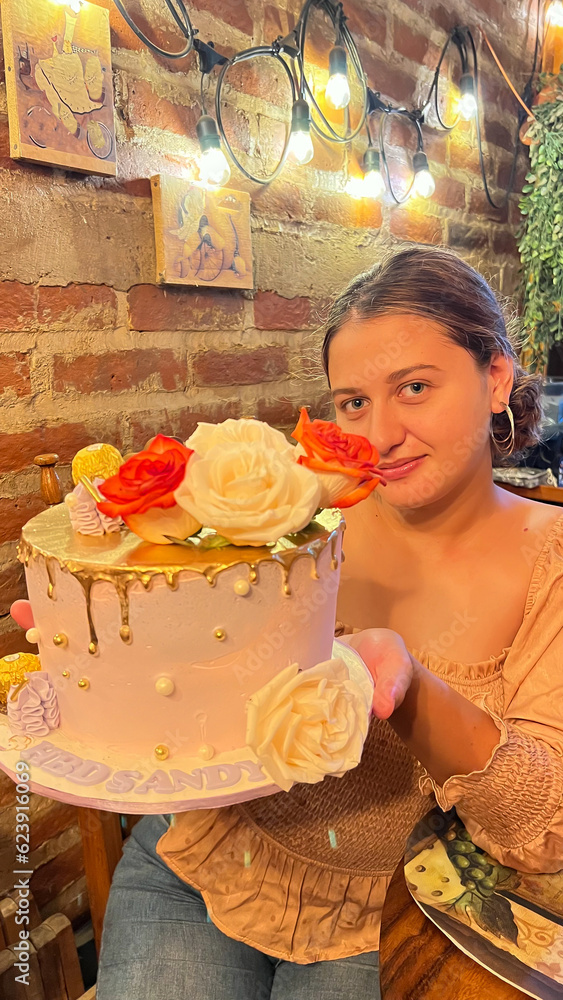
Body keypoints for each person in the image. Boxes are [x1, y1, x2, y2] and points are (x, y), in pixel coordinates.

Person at [96, 246, 563, 1000]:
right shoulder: (294, 521)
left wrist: (406, 688)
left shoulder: (550, 565)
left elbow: (541, 829)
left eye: (413, 388)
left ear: (495, 379)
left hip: (388, 911)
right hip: (195, 866)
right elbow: (198, 673)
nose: (377, 437)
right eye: (352, 402)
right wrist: (117, 639)